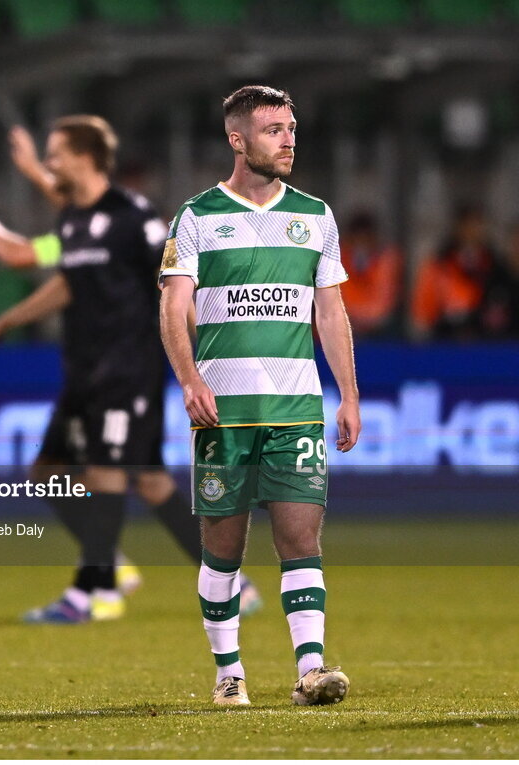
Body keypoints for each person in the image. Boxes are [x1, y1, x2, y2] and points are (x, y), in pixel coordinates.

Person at [0, 115, 250, 624]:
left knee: (108, 473)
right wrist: (5, 320)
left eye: (55, 155)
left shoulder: (134, 218)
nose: (50, 165)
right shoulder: (73, 223)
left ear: (84, 156)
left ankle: (93, 591)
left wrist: (206, 353)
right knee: (68, 474)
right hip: (84, 370)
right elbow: (60, 279)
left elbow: (175, 282)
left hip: (128, 368)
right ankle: (209, 576)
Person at [159, 86, 360, 707]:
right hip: (225, 412)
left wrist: (349, 394)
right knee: (222, 548)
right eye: (274, 129)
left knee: (302, 539)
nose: (289, 139)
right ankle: (228, 675)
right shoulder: (196, 217)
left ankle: (311, 669)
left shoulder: (315, 216)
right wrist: (191, 380)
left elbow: (330, 310)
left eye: (292, 127)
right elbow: (173, 305)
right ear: (237, 139)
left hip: (297, 407)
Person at [410, 205, 500, 341]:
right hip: (443, 339)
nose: (472, 231)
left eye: (477, 225)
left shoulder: (495, 265)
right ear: (458, 227)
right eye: (468, 225)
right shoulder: (439, 264)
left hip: (483, 340)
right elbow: (423, 310)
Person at [338, 211, 402, 336]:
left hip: (379, 328)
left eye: (366, 239)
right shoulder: (336, 260)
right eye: (357, 239)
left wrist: (364, 320)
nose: (361, 244)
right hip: (345, 324)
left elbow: (384, 304)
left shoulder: (388, 261)